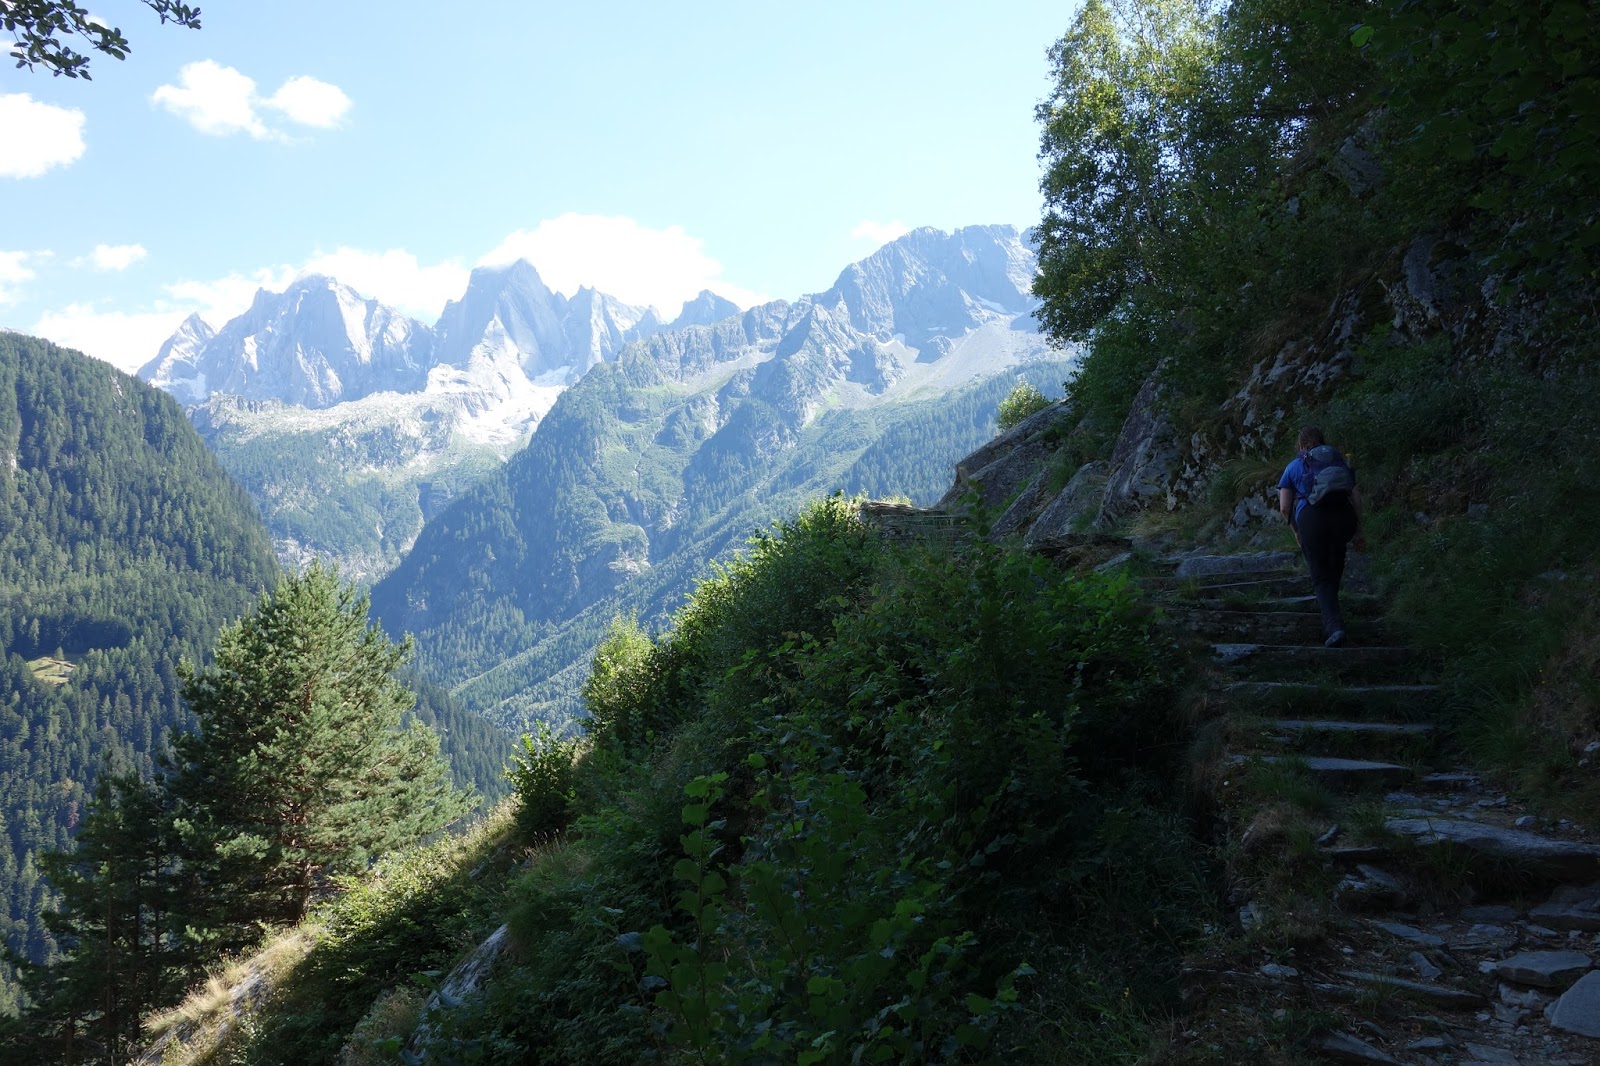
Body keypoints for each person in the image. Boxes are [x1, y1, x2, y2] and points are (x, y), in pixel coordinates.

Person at [1278, 426, 1365, 647]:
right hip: (1343, 518)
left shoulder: (1294, 466)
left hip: (1311, 520)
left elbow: (1284, 507)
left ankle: (1334, 627)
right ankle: (1332, 620)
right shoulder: (1339, 462)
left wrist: (1297, 532)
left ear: (1301, 445)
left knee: (1321, 576)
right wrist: (1358, 531)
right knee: (1333, 570)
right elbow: (1355, 498)